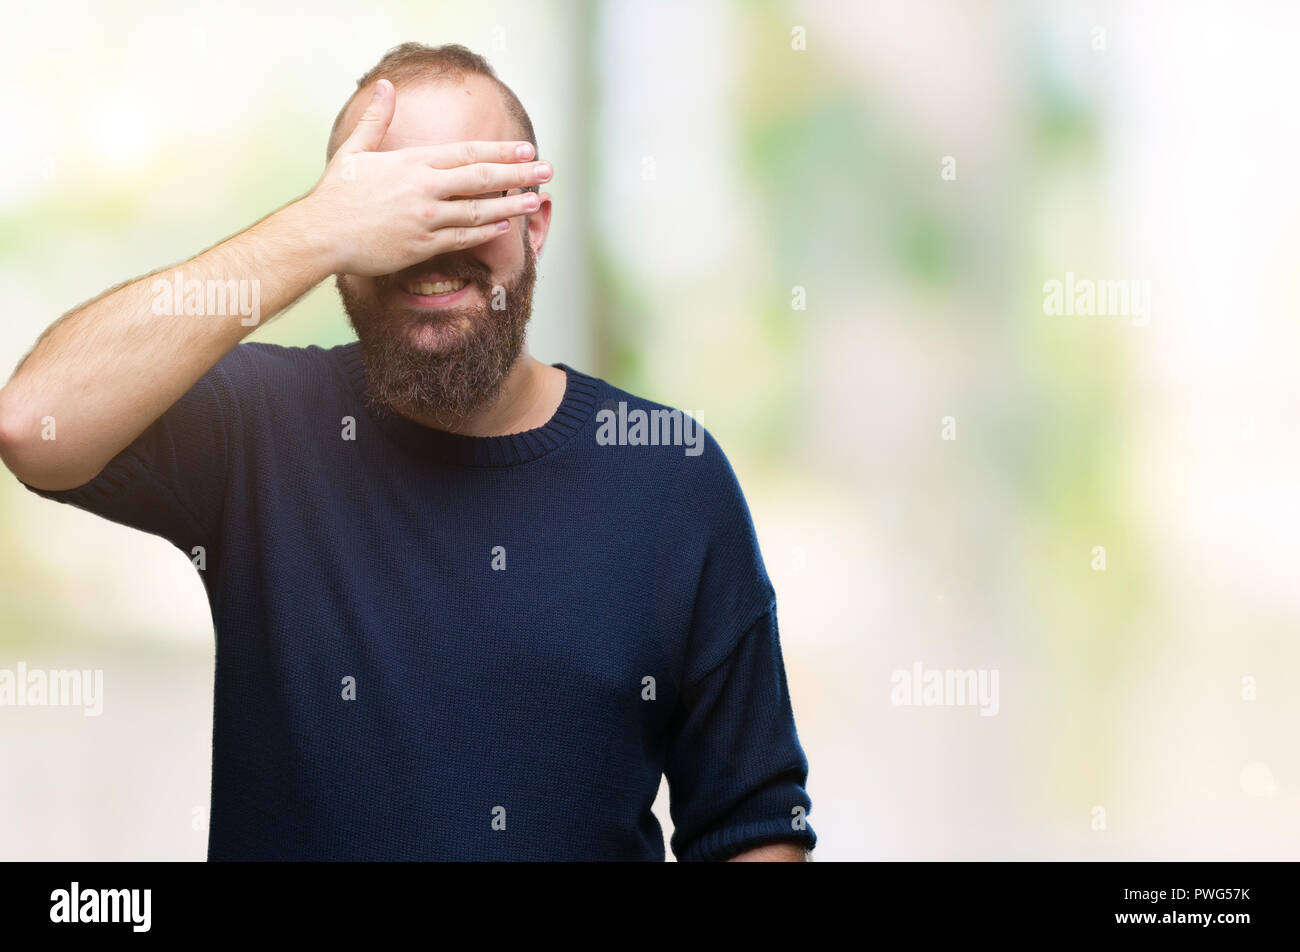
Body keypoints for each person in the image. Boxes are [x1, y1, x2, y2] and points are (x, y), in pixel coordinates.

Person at [0, 43, 815, 862]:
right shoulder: (260, 429)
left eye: (470, 197)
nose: (431, 240)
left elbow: (752, 825)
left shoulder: (666, 474)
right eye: (395, 207)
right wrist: (314, 228)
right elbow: (35, 424)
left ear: (536, 222)